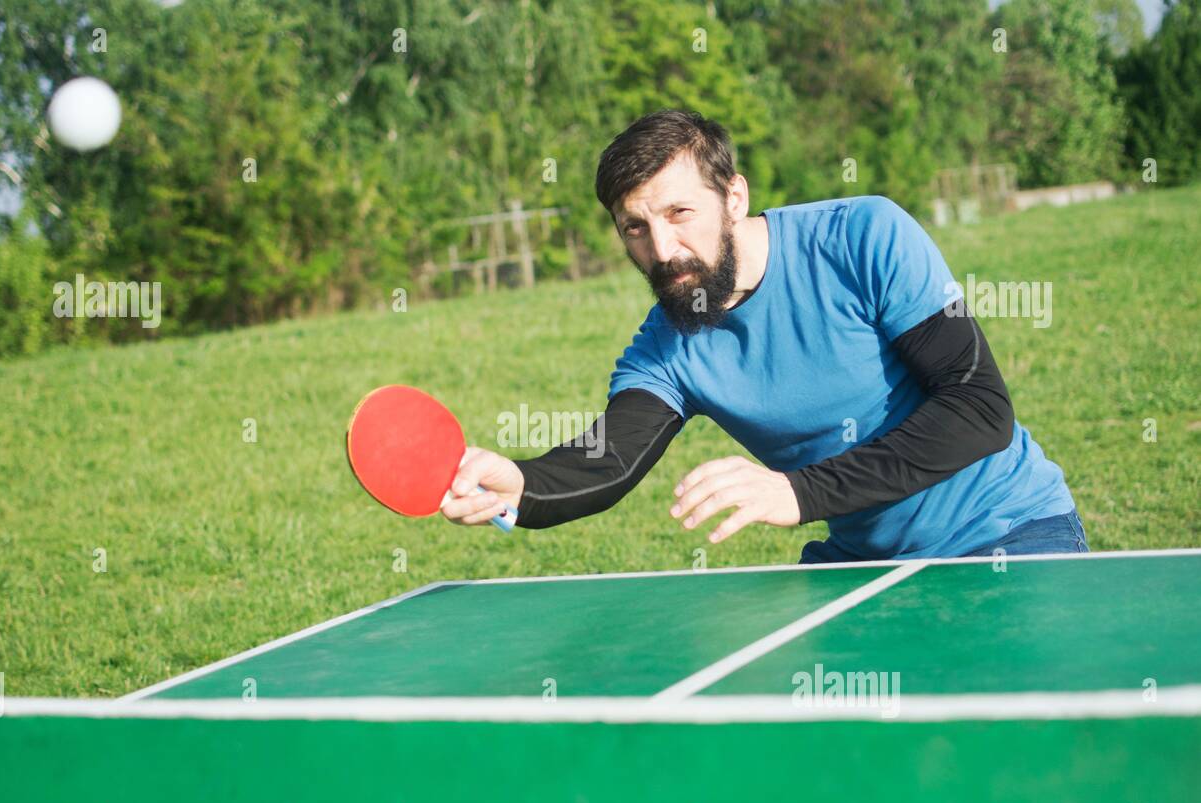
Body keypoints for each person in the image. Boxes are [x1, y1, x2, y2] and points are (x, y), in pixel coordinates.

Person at [442, 109, 1087, 562]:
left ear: (734, 198)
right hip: (863, 565)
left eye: (679, 213)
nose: (662, 248)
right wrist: (521, 484)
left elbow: (978, 410)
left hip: (1009, 531)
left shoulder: (863, 237)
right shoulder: (666, 347)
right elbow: (609, 458)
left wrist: (797, 492)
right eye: (634, 227)